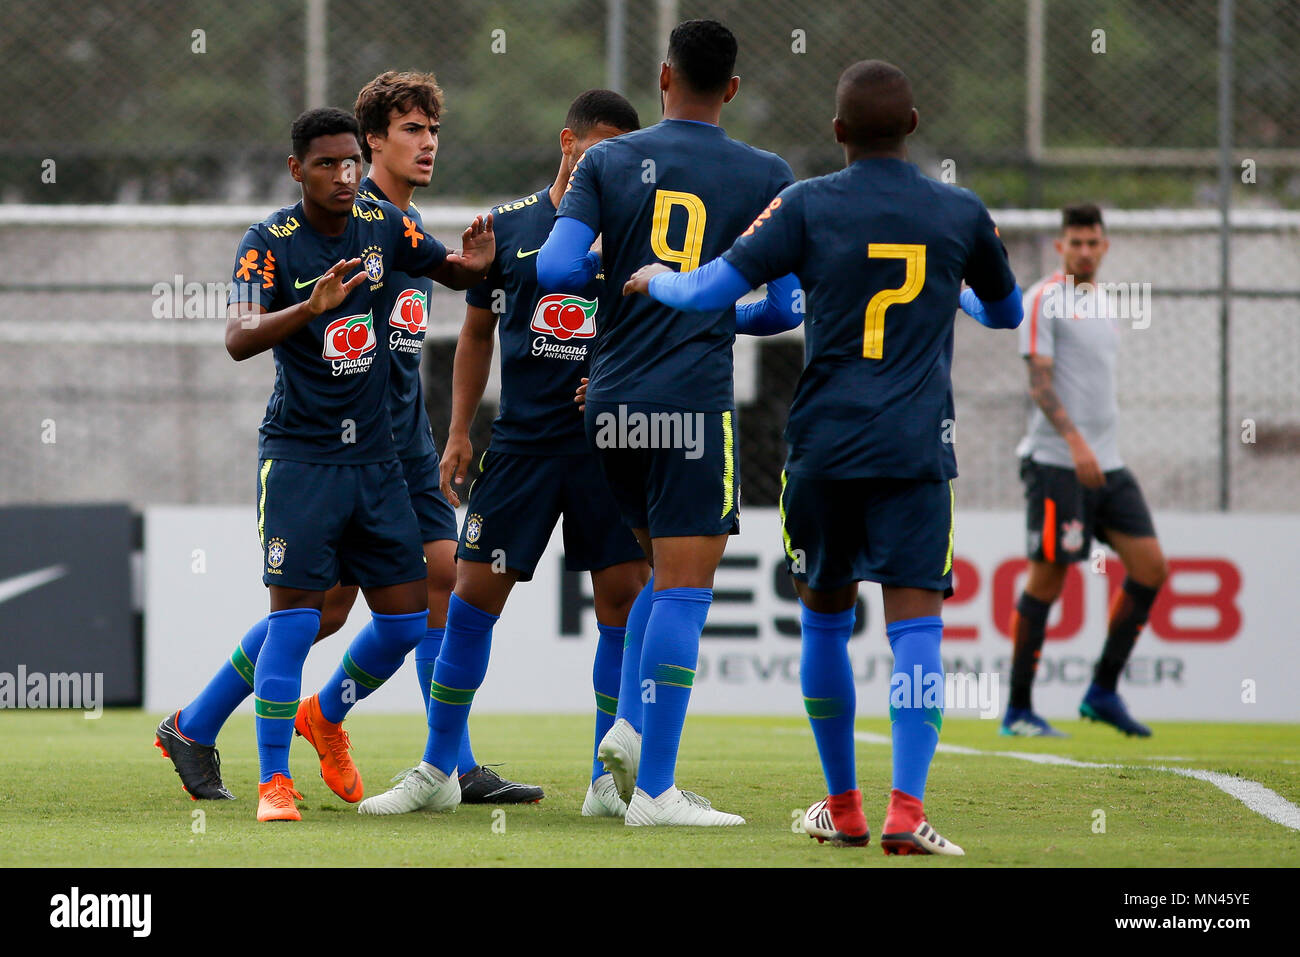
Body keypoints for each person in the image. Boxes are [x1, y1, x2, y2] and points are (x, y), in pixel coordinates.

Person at [624, 60, 1022, 854]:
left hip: (824, 448)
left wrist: (659, 280)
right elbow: (1007, 313)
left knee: (824, 623)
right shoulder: (960, 212)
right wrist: (959, 292)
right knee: (917, 629)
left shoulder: (804, 205)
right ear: (912, 126)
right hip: (914, 451)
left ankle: (843, 806)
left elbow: (710, 291)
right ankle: (907, 810)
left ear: (837, 132)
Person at [157, 78, 539, 809]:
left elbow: (439, 312)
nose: (428, 142)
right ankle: (282, 729)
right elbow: (254, 334)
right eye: (412, 129)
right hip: (338, 452)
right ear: (370, 142)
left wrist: (452, 429)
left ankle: (406, 747)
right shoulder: (337, 229)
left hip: (400, 446)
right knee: (330, 608)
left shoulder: (402, 228)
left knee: (411, 595)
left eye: (434, 129)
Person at [358, 90, 650, 817]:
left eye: (621, 157)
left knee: (621, 601)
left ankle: (604, 785)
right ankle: (438, 769)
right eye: (597, 150)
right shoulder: (513, 228)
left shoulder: (635, 236)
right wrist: (459, 431)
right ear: (567, 142)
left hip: (607, 451)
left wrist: (618, 385)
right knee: (471, 600)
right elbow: (477, 335)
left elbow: (652, 330)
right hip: (521, 447)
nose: (606, 166)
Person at [1003, 203, 1166, 738]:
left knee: (1149, 567)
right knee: (1048, 580)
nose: (1085, 251)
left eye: (1093, 243)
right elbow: (1040, 384)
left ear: (1105, 247)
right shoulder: (1042, 300)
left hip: (1107, 463)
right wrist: (1075, 444)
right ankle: (1019, 709)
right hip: (1058, 465)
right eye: (1075, 242)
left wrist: (1095, 449)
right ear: (1060, 247)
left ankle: (1101, 691)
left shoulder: (1103, 303)